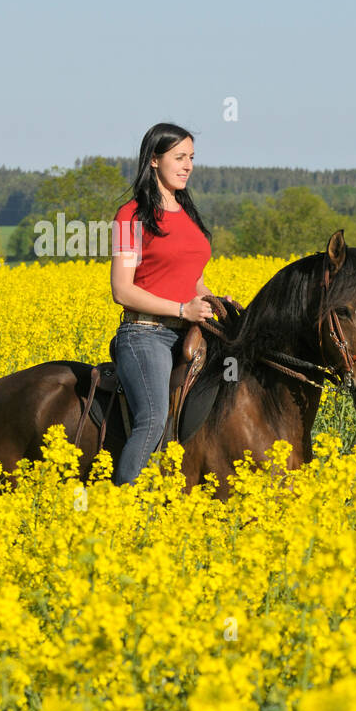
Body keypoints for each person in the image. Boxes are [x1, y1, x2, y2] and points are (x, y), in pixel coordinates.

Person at [109, 122, 227, 485]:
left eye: (191, 157)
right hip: (145, 334)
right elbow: (122, 290)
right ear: (154, 161)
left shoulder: (188, 214)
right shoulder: (130, 216)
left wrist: (213, 300)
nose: (188, 165)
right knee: (154, 417)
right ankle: (122, 501)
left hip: (191, 332)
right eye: (179, 157)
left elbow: (193, 280)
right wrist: (181, 310)